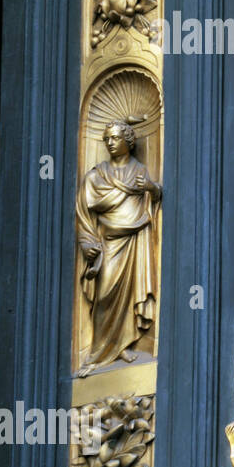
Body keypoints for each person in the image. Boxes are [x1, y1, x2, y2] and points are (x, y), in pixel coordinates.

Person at [75, 120, 162, 376]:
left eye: (115, 138)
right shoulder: (95, 176)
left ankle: (122, 343)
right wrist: (87, 244)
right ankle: (99, 352)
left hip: (134, 240)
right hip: (108, 245)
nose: (110, 143)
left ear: (128, 141)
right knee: (105, 296)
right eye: (107, 139)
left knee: (129, 293)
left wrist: (151, 188)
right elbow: (82, 213)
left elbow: (153, 196)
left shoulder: (140, 171)